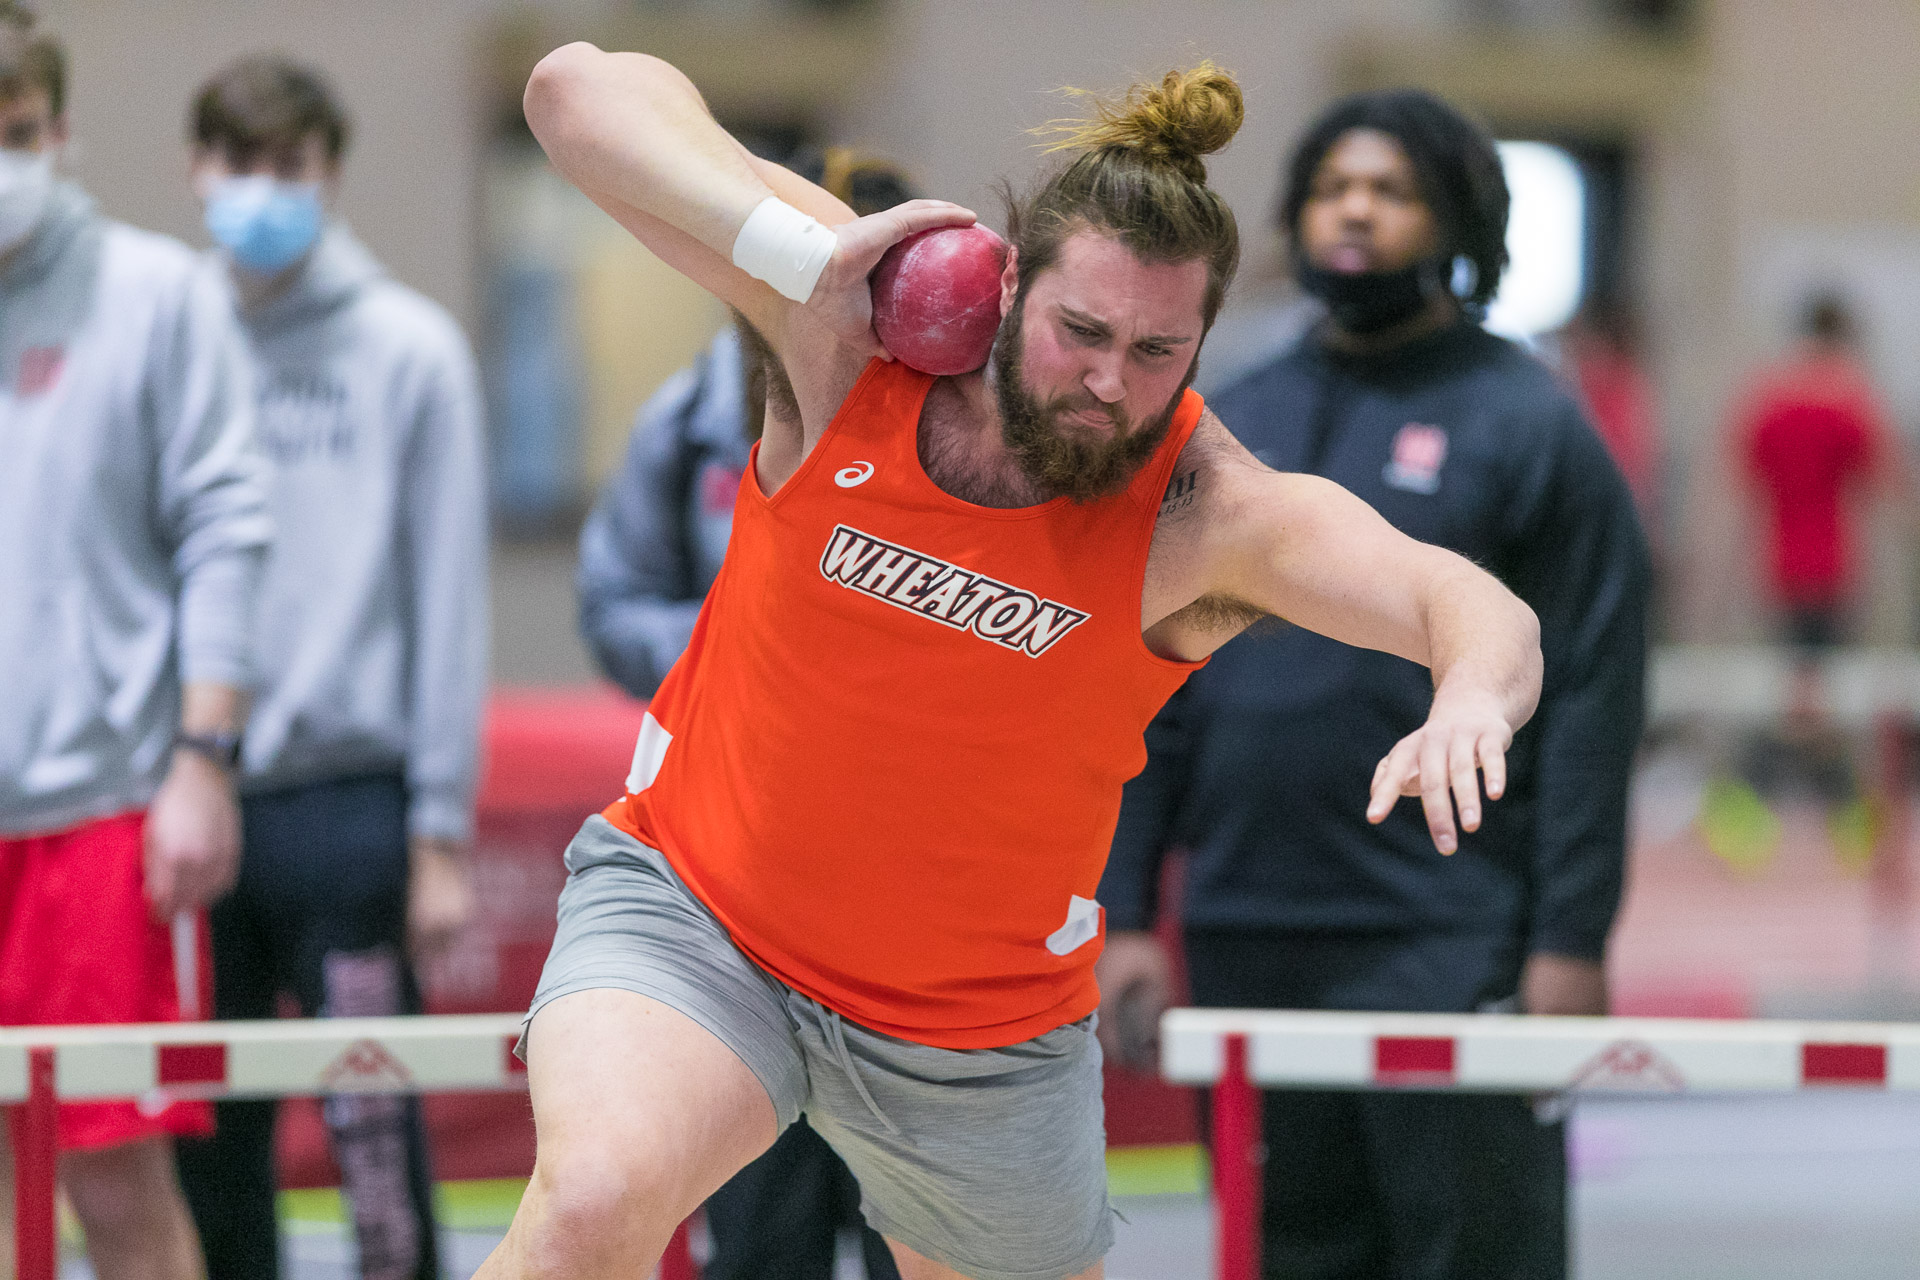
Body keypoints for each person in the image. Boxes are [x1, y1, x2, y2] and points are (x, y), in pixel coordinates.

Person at [481, 49, 1544, 1280]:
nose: (1109, 382)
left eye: (1159, 350)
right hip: (706, 923)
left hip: (973, 1033)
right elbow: (572, 92)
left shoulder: (1205, 510)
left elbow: (1467, 600)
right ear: (1005, 283)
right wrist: (792, 257)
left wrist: (1468, 692)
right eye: (1081, 330)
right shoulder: (848, 347)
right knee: (590, 1201)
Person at [1096, 89, 1651, 1280]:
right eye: (1334, 186)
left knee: (1471, 1251)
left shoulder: (1532, 425)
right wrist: (1129, 909)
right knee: (1288, 1252)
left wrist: (1571, 936)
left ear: (1454, 219)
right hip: (1249, 921)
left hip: (1451, 931)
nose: (1355, 209)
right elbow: (1147, 685)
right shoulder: (1232, 416)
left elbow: (1598, 698)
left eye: (1391, 190)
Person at [169, 56, 489, 1280]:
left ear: (330, 172)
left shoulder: (410, 351)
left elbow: (446, 598)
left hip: (352, 808)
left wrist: (440, 828)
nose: (261, 190)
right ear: (198, 171)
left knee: (370, 1140)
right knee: (206, 1136)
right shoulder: (170, 340)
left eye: (287, 165)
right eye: (238, 164)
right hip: (196, 801)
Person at [579, 145, 912, 1280]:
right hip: (733, 879)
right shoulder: (688, 422)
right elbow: (612, 599)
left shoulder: (972, 442)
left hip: (903, 905)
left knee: (906, 1228)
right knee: (760, 1233)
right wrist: (754, 653)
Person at [0, 6, 270, 1278]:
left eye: (14, 136)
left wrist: (203, 756)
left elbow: (227, 524)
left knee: (117, 1186)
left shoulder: (158, 295)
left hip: (100, 818)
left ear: (59, 133)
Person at [1736, 292, 1901, 656]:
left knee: (1788, 675)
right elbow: (1882, 483)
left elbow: (1746, 484)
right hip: (1834, 562)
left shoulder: (1770, 399)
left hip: (1781, 561)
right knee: (1832, 682)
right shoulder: (1851, 402)